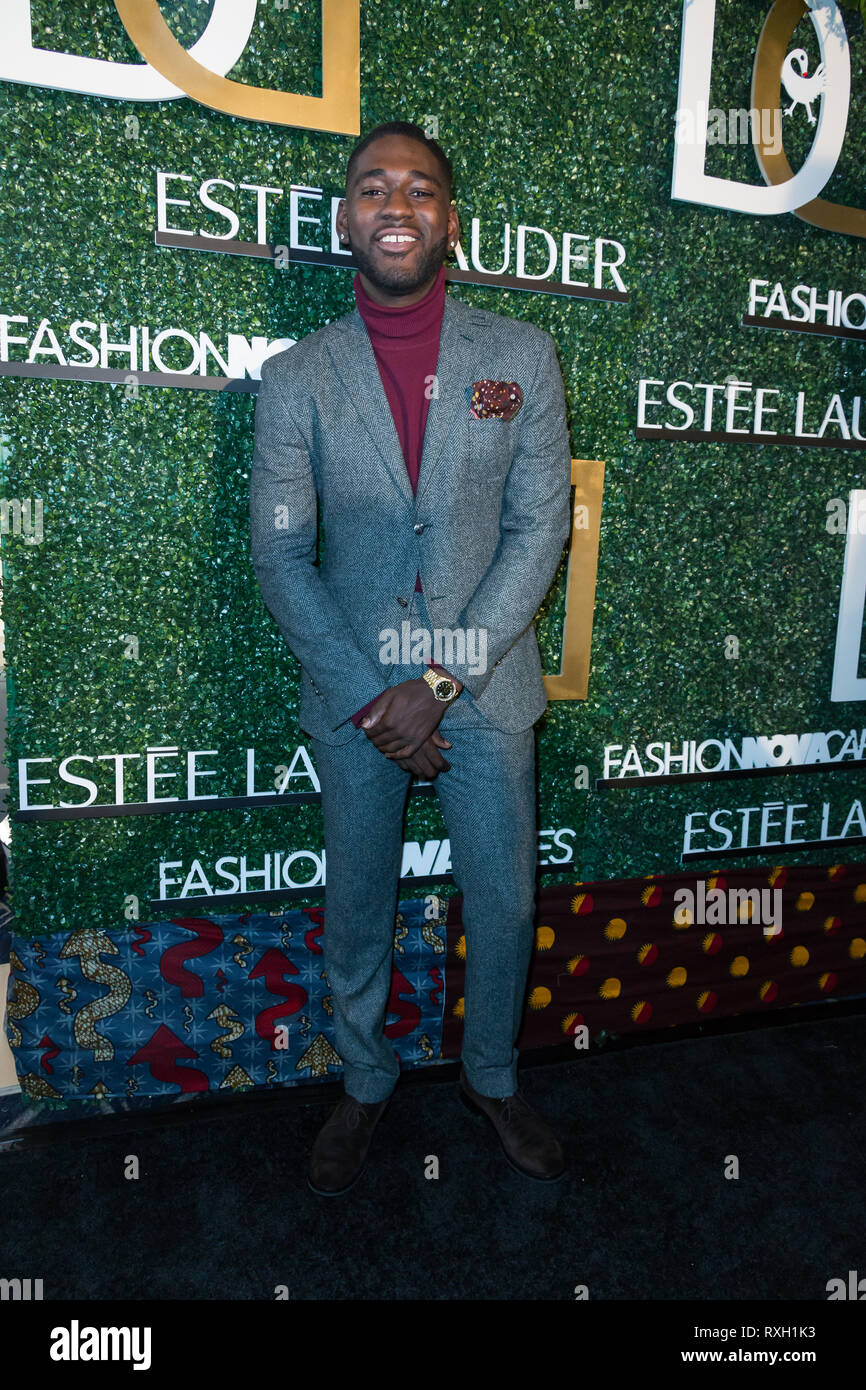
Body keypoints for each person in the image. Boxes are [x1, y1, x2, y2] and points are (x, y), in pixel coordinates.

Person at [250, 121, 572, 1195]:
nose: (397, 203)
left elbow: (539, 531)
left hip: (482, 688)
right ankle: (366, 1079)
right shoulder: (297, 377)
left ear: (448, 221)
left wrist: (435, 687)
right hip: (355, 697)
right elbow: (283, 554)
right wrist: (370, 697)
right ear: (346, 219)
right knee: (357, 900)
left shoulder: (518, 358)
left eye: (421, 188)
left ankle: (490, 1074)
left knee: (505, 898)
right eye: (374, 187)